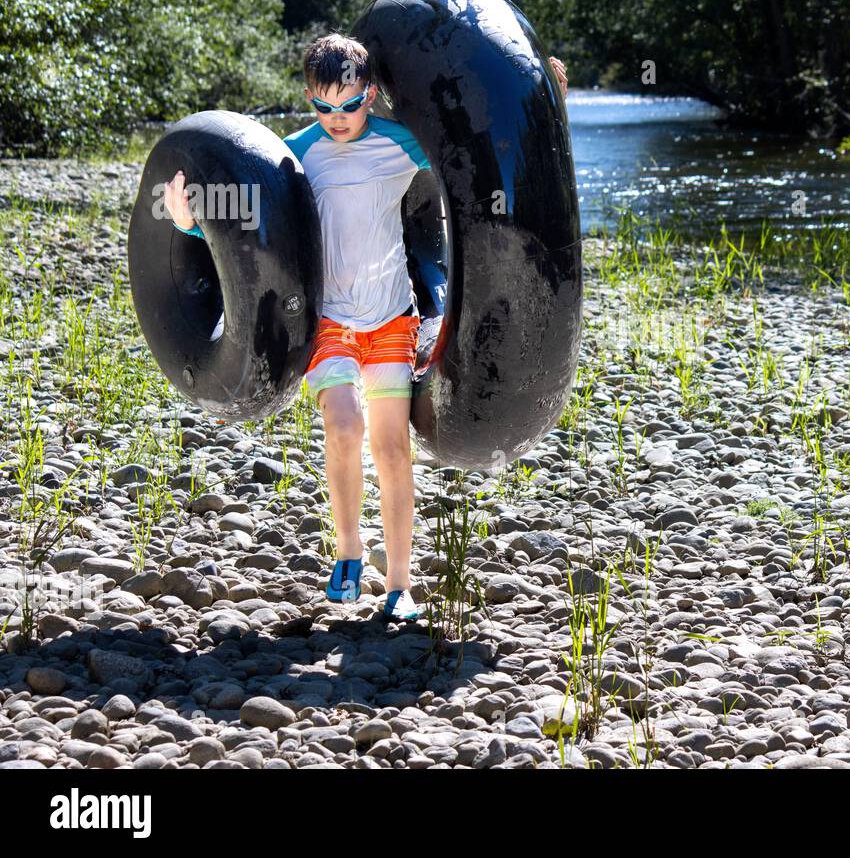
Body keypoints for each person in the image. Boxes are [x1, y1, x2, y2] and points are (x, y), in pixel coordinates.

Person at [162, 33, 569, 621]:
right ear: (308, 99)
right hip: (329, 322)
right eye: (323, 107)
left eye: (349, 105)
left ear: (370, 95)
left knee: (391, 448)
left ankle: (400, 585)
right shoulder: (294, 155)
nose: (337, 119)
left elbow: (480, 152)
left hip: (390, 319)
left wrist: (543, 101)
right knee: (343, 425)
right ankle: (350, 553)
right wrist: (190, 223)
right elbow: (248, 226)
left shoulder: (401, 145)